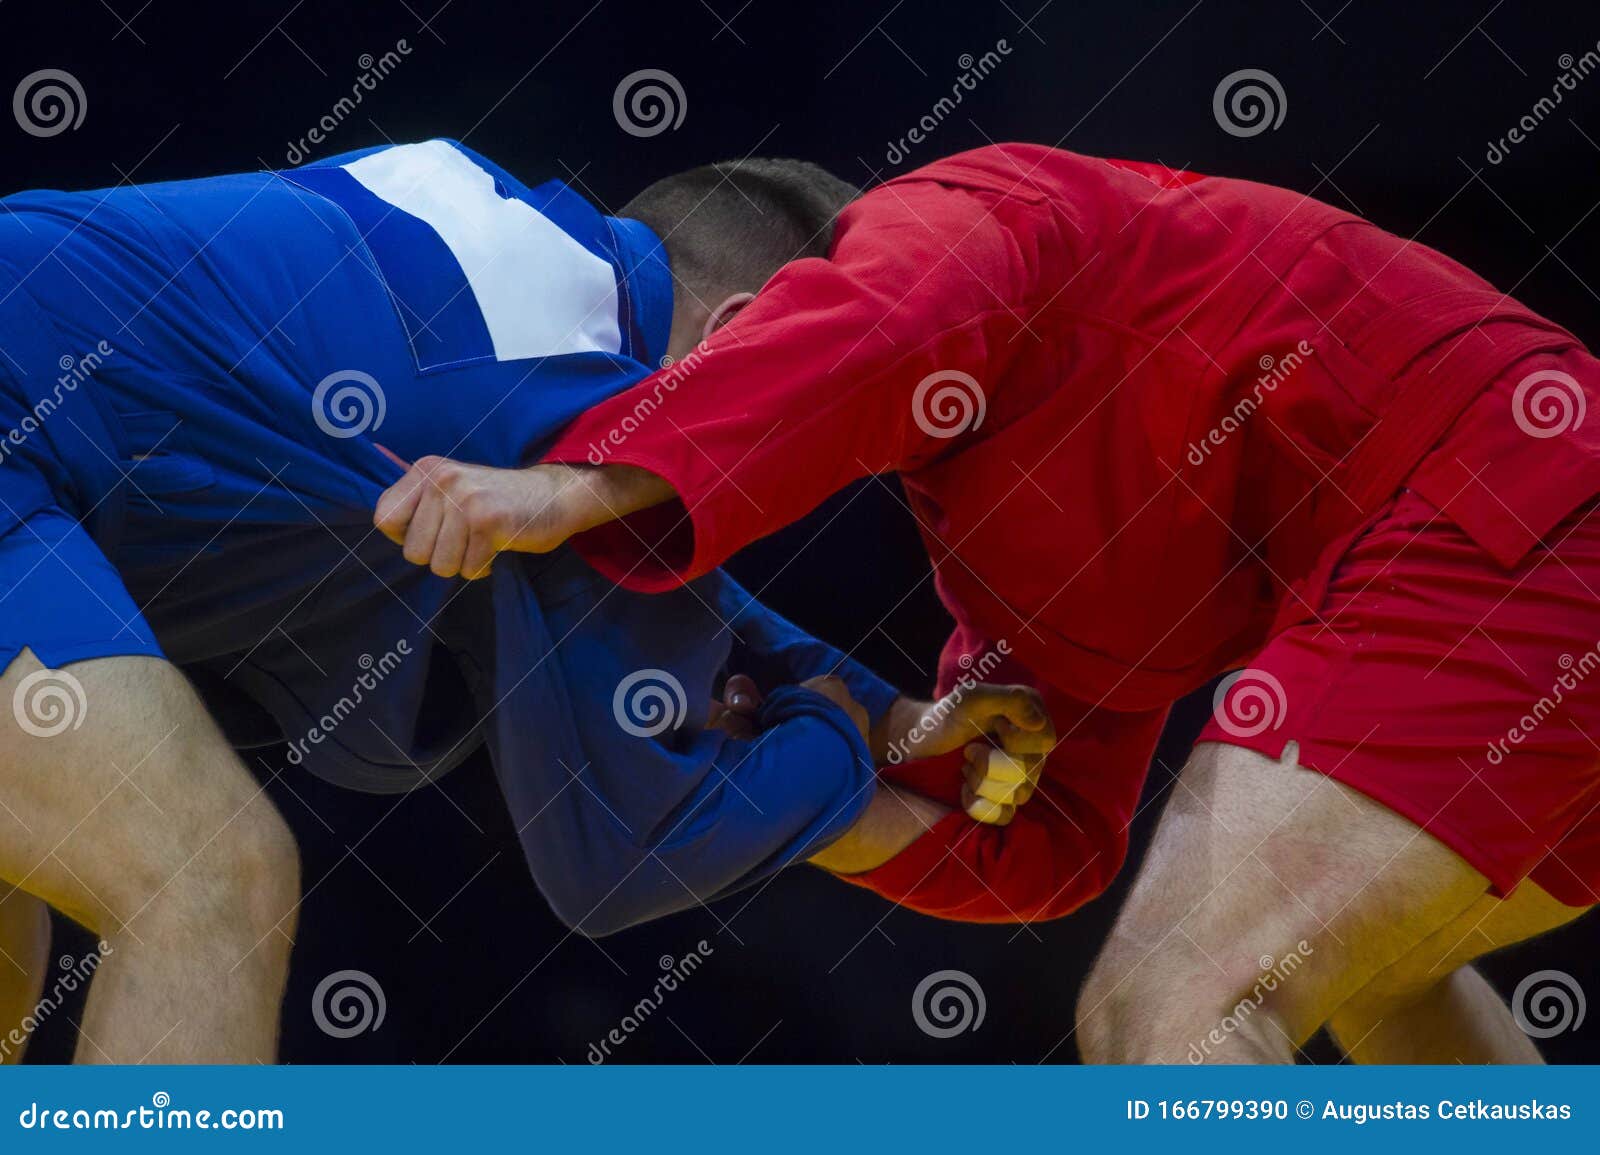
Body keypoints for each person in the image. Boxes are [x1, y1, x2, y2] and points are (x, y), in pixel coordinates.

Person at [378, 143, 1600, 1063]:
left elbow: (885, 317)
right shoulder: (1006, 530)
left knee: (1175, 1005)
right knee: (1373, 976)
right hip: (1527, 584)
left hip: (1523, 494)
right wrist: (834, 786)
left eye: (643, 385)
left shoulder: (961, 216)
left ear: (755, 323)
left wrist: (571, 482)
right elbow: (1046, 825)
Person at [0, 140, 1049, 1062]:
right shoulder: (572, 397)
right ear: (745, 335)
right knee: (205, 885)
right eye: (814, 419)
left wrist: (893, 713)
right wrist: (836, 726)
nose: (788, 484)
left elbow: (645, 559)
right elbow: (627, 847)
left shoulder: (498, 246)